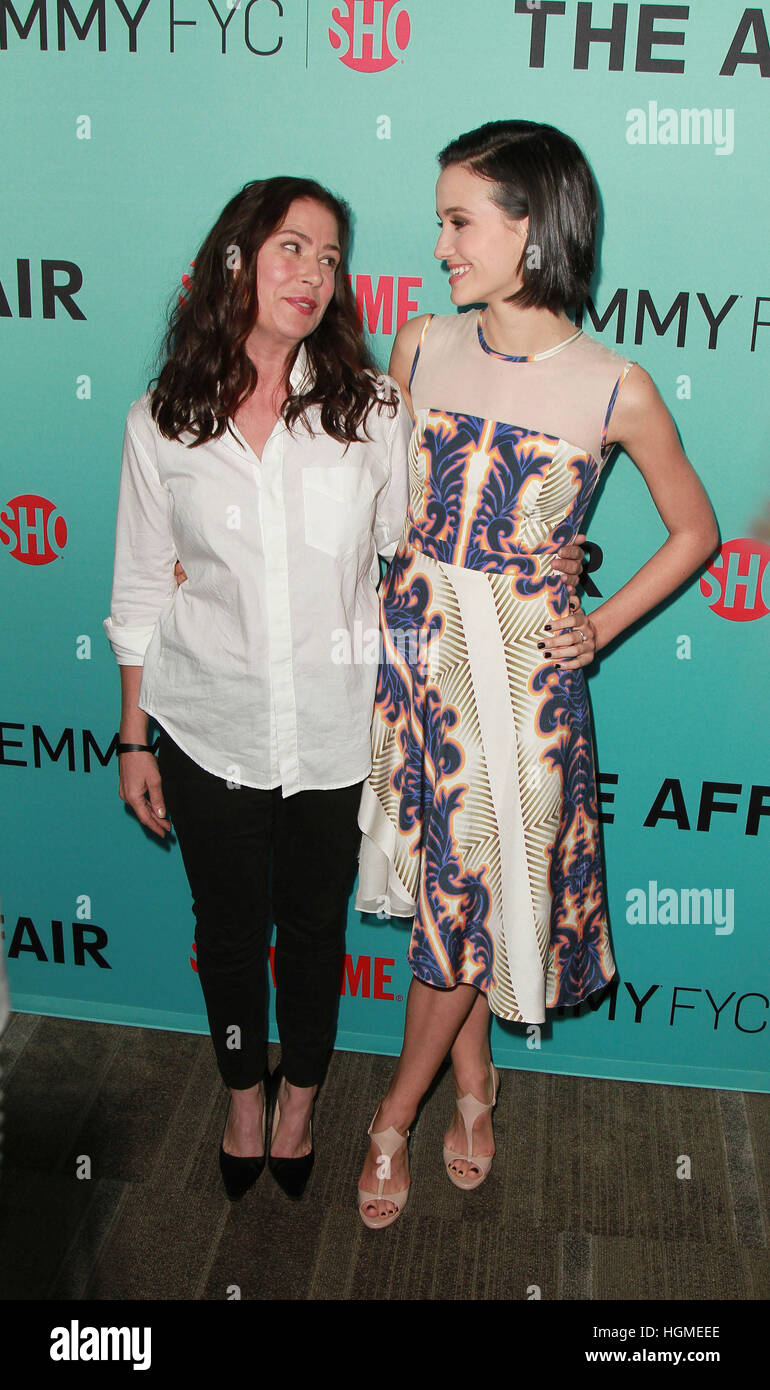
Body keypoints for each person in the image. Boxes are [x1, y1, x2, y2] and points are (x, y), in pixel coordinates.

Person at [354, 121, 718, 1228]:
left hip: (518, 687)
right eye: (439, 220)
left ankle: (390, 1117)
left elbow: (694, 529)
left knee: (466, 896)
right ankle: (475, 1090)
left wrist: (595, 623)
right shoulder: (417, 345)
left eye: (459, 220)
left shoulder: (615, 386)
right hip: (414, 657)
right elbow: (370, 500)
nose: (441, 243)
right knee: (439, 898)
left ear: (530, 226)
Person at [103, 176, 414, 1202]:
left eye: (329, 257)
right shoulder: (162, 420)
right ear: (235, 260)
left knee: (316, 930)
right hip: (207, 727)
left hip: (330, 730)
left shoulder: (371, 412)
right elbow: (143, 585)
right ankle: (243, 1094)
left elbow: (399, 558)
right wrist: (133, 735)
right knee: (229, 934)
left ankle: (299, 1103)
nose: (314, 274)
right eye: (292, 248)